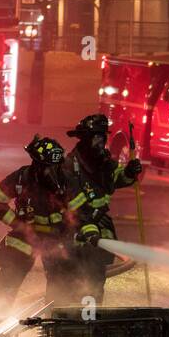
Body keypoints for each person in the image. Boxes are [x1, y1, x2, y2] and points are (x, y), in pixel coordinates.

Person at [0, 135, 82, 310]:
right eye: (48, 168)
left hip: (56, 239)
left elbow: (81, 214)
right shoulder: (22, 178)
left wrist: (70, 232)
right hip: (24, 238)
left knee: (61, 282)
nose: (52, 172)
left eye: (56, 166)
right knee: (11, 272)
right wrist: (18, 224)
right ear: (36, 164)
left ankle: (56, 321)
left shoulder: (68, 182)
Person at [62, 113, 143, 303]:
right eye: (96, 137)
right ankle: (69, 306)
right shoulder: (69, 166)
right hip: (75, 223)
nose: (100, 142)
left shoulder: (104, 161)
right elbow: (74, 203)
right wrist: (89, 228)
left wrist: (129, 173)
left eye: (102, 137)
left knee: (98, 267)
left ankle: (93, 305)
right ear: (86, 138)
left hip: (100, 221)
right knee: (74, 267)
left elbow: (116, 178)